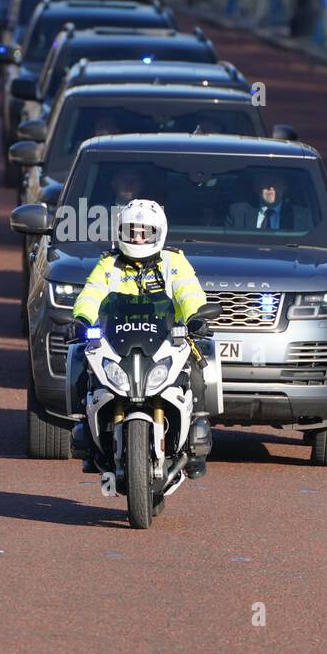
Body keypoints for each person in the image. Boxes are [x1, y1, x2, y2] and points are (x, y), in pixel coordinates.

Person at [70, 199, 214, 477]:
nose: (137, 238)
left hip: (165, 340)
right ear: (120, 232)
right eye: (131, 231)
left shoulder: (175, 262)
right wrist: (82, 318)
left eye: (144, 232)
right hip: (117, 341)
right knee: (79, 361)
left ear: (158, 233)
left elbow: (189, 292)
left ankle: (196, 444)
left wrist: (196, 316)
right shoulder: (108, 264)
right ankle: (88, 440)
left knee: (197, 368)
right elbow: (91, 293)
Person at [226, 171, 309, 231]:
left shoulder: (301, 216)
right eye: (266, 181)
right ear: (256, 187)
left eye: (276, 181)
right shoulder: (238, 213)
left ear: (284, 186)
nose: (271, 187)